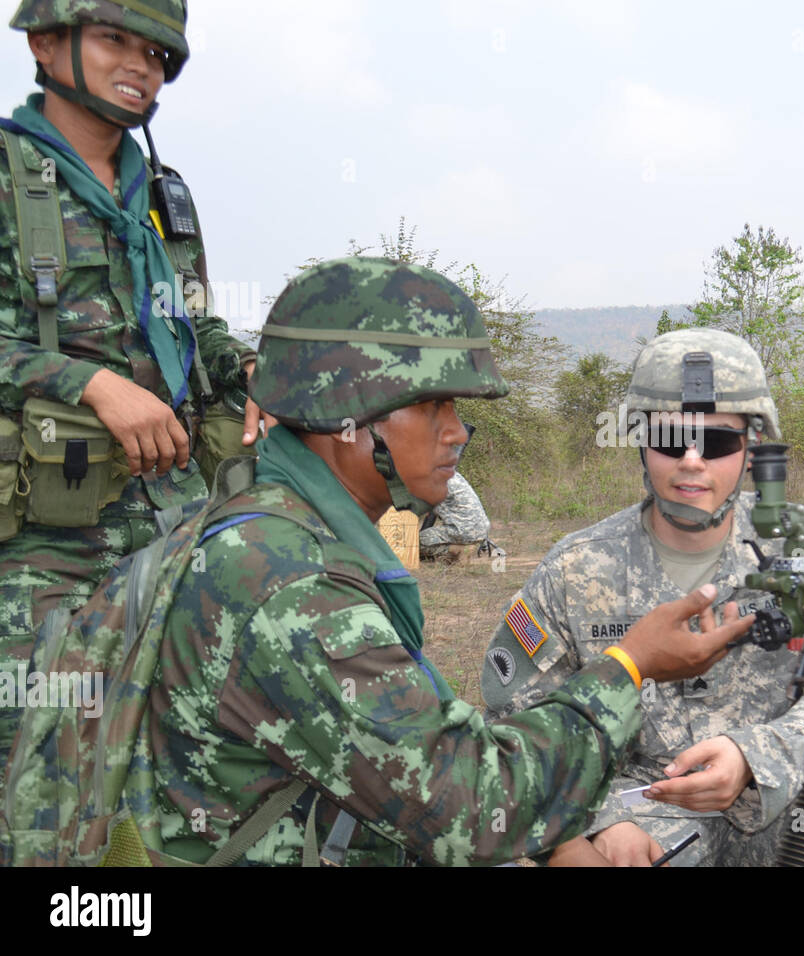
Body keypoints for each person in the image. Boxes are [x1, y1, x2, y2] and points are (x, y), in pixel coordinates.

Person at [135, 257, 752, 866]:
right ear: (347, 418)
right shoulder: (294, 583)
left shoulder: (281, 523)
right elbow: (474, 810)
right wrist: (630, 664)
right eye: (436, 407)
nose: (458, 432)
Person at [481, 328, 804, 866]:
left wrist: (754, 757)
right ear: (641, 442)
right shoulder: (575, 569)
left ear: (752, 449)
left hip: (786, 798)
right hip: (645, 809)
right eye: (670, 438)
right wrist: (596, 827)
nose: (691, 461)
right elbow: (515, 727)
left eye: (716, 443)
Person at [0, 1, 264, 778]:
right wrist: (90, 384)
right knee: (38, 757)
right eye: (114, 39)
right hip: (44, 535)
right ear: (46, 44)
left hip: (175, 513)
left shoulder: (162, 195)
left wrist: (251, 376)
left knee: (180, 750)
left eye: (155, 52)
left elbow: (192, 324)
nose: (138, 65)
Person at [418, 470, 494, 561]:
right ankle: (464, 547)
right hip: (481, 528)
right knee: (424, 538)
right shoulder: (451, 474)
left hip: (463, 530)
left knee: (414, 543)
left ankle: (457, 550)